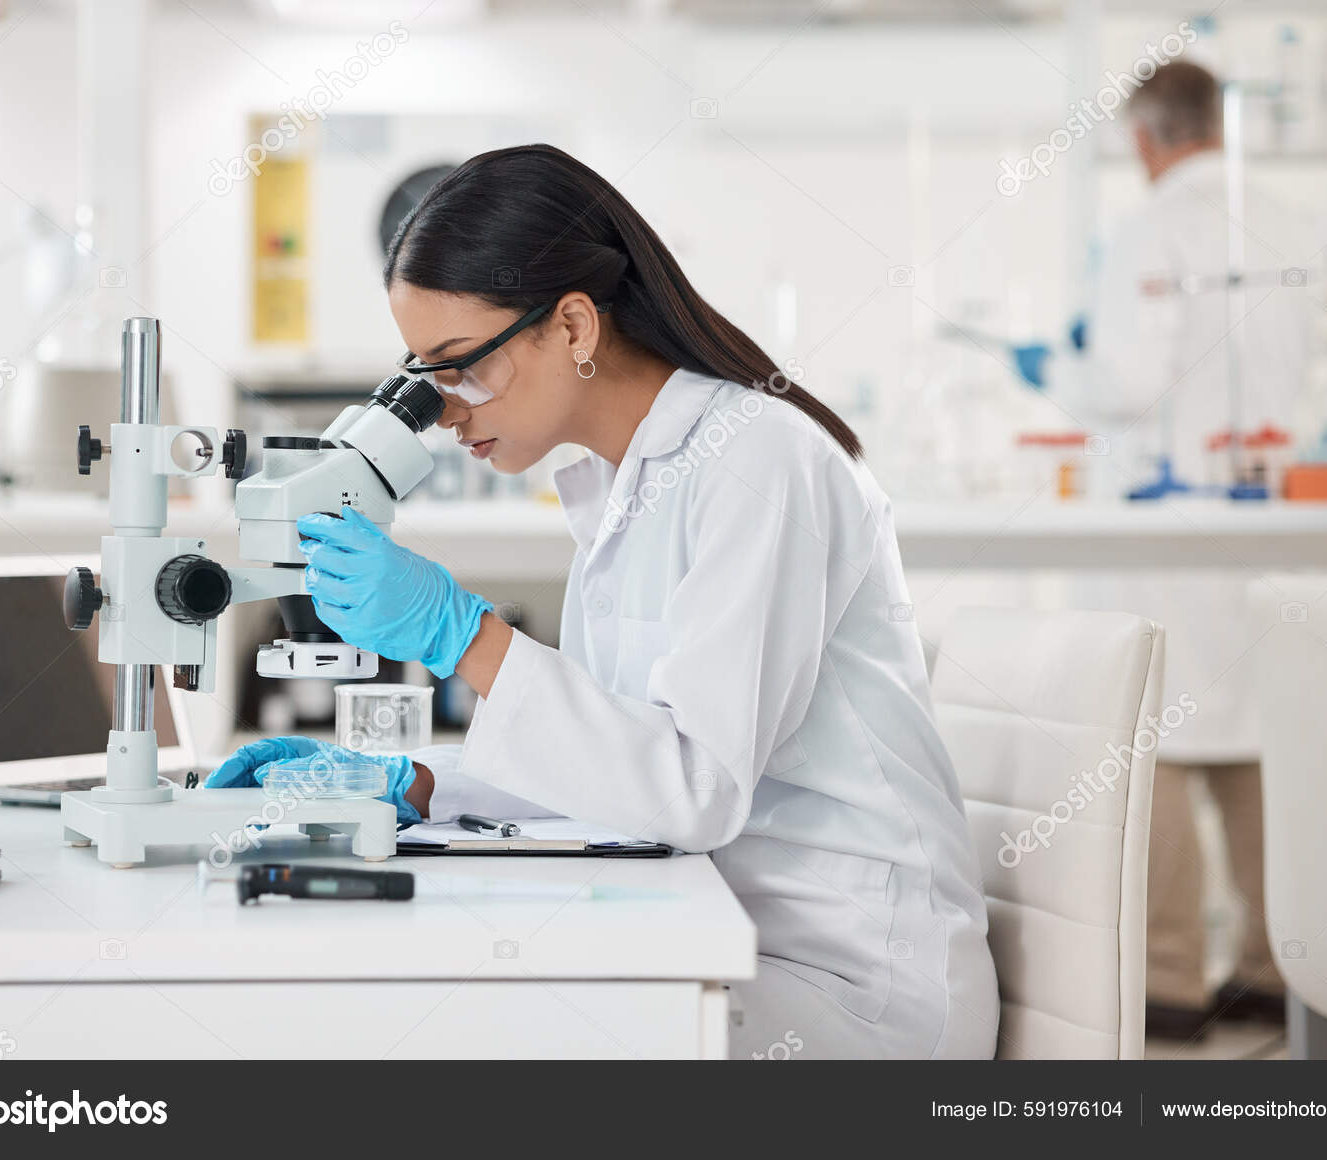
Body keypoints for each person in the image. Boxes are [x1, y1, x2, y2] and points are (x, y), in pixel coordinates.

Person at [209, 143, 999, 1059]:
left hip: (849, 978)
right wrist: (413, 784)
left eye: (459, 364)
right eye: (421, 373)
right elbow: (613, 770)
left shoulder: (759, 462)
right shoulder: (618, 488)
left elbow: (692, 790)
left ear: (574, 326)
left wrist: (464, 638)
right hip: (710, 924)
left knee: (471, 1034)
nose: (445, 407)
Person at [1012, 61, 1310, 1037]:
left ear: (1145, 138)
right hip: (1264, 505)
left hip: (1169, 516)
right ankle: (1275, 965)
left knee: (1165, 737)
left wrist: (1060, 364)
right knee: (1257, 735)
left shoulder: (1148, 226)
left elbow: (1130, 381)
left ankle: (1173, 977)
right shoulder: (1278, 215)